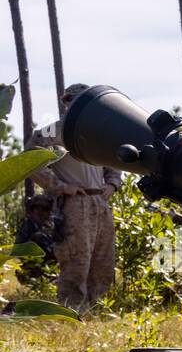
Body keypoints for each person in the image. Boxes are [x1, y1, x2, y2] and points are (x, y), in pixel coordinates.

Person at [25, 83, 122, 311]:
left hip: (100, 203)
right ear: (66, 103)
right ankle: (71, 313)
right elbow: (29, 159)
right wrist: (60, 186)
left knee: (103, 261)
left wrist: (113, 184)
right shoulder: (56, 130)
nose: (75, 105)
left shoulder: (100, 133)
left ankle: (97, 312)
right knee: (76, 262)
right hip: (73, 204)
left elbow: (115, 161)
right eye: (71, 101)